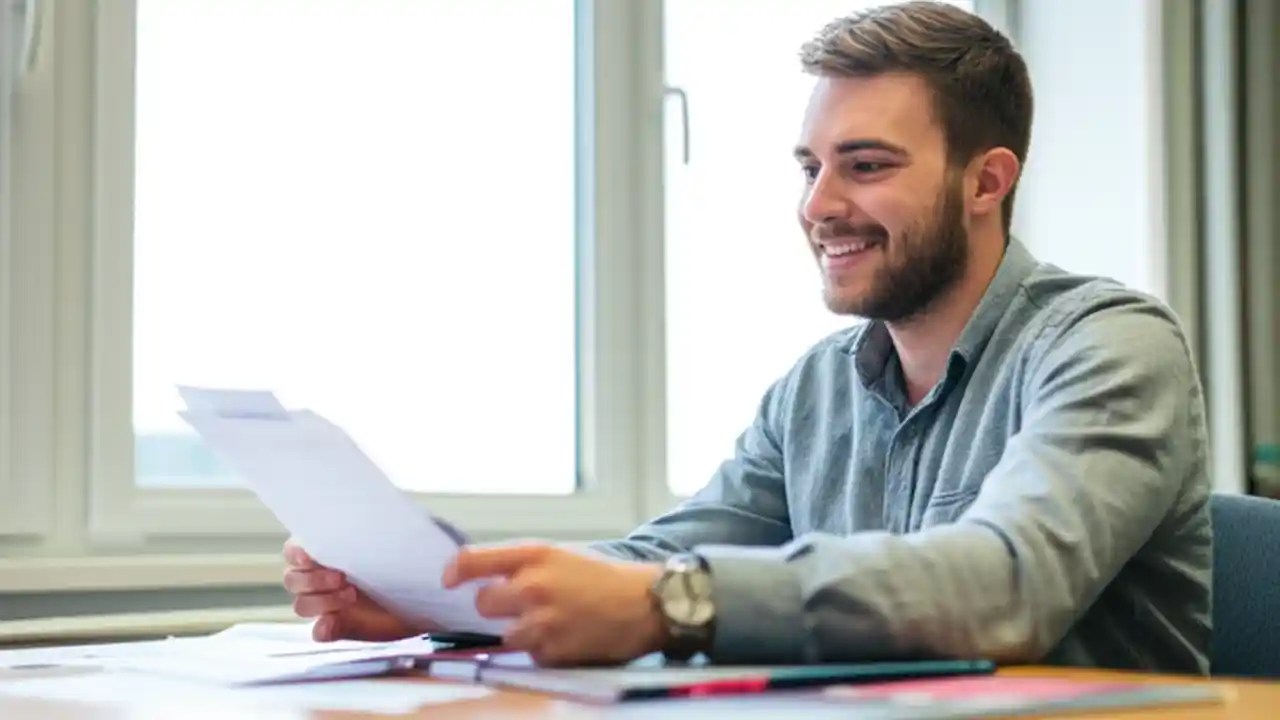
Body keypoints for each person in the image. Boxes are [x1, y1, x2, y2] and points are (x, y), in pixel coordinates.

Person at [283, 1, 1211, 673]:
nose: (818, 206)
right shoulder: (816, 390)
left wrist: (672, 608)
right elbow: (658, 558)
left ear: (986, 183)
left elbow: (1010, 586)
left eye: (866, 165)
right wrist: (447, 594)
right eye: (811, 166)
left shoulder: (1109, 346)